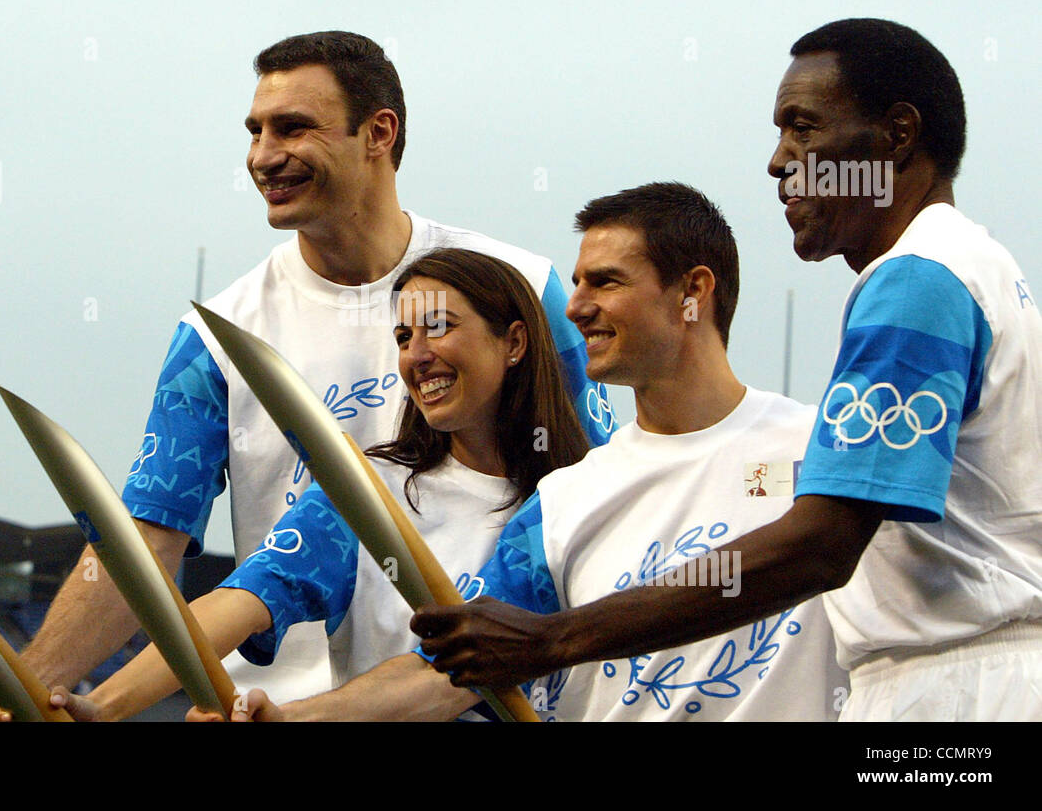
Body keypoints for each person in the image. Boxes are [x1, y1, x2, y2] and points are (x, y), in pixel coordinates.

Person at [410, 20, 1042, 722]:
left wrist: (557, 638)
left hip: (961, 696)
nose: (779, 162)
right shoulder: (978, 269)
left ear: (897, 134)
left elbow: (823, 547)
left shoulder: (918, 282)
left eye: (803, 129)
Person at [0, 32, 615, 717]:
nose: (263, 155)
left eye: (292, 128)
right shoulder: (219, 338)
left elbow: (602, 497)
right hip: (277, 708)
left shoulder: (527, 290)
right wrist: (23, 692)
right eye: (254, 131)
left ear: (378, 133)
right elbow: (148, 548)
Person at [197, 183, 845, 722]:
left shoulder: (823, 455)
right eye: (580, 283)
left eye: (606, 282)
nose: (580, 306)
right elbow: (445, 673)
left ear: (692, 293)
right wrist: (292, 719)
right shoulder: (566, 498)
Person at [46, 249, 591, 721]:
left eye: (440, 327)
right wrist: (105, 706)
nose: (418, 354)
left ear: (514, 341)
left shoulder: (585, 499)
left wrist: (294, 717)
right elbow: (240, 602)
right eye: (403, 336)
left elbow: (443, 679)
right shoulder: (366, 494)